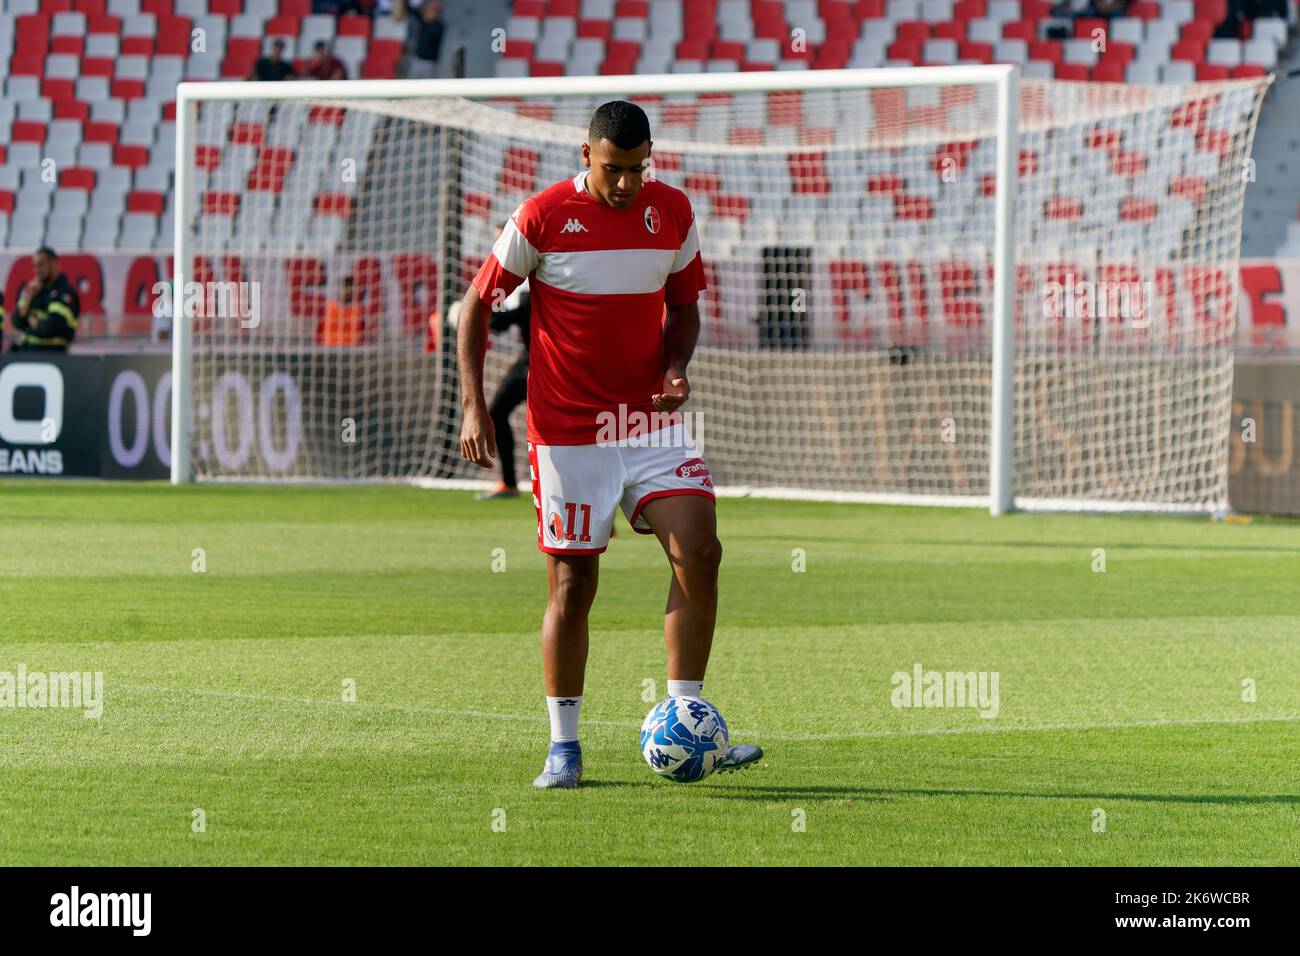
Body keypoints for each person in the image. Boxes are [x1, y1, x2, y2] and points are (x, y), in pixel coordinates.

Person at [457, 101, 763, 789]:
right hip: (568, 431)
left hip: (647, 423)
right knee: (574, 583)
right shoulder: (539, 217)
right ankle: (564, 749)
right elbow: (478, 304)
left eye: (637, 168)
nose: (626, 184)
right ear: (586, 153)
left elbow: (683, 305)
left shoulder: (673, 213)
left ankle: (688, 722)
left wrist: (677, 366)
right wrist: (476, 407)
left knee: (702, 551)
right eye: (613, 169)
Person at [9, 247, 80, 352]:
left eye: (41, 265)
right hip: (26, 351)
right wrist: (29, 296)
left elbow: (52, 327)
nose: (37, 270)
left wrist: (31, 321)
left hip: (53, 354)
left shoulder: (65, 292)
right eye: (35, 266)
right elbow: (16, 321)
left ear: (55, 264)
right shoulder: (34, 290)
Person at [318, 276, 363, 346]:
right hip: (329, 348)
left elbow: (362, 332)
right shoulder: (328, 307)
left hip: (351, 350)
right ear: (339, 288)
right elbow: (319, 329)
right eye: (345, 287)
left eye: (350, 288)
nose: (347, 291)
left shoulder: (358, 309)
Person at [407, 1, 444, 79]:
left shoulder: (439, 26)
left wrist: (427, 19)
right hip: (418, 60)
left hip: (430, 64)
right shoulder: (425, 22)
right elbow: (412, 11)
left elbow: (433, 30)